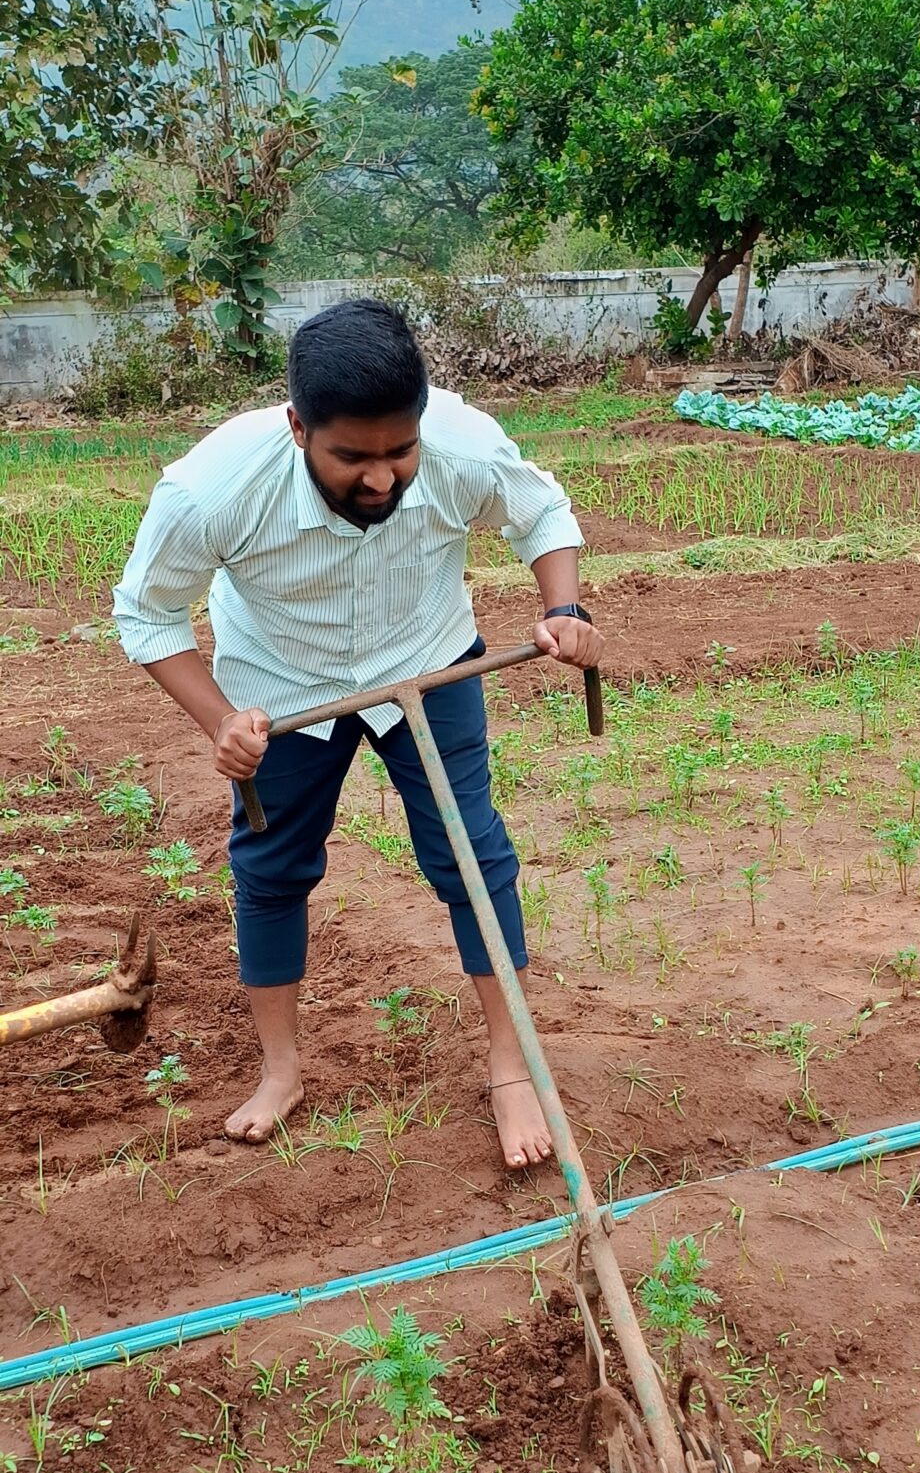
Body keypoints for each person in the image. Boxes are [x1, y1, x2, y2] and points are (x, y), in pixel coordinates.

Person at [112, 296, 604, 1166]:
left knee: (471, 854)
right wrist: (221, 720)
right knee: (271, 869)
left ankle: (510, 1064)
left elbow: (540, 513)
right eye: (352, 458)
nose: (381, 480)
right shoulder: (212, 490)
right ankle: (281, 1071)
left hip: (427, 658)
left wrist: (563, 609)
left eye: (399, 451)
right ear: (298, 427)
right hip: (282, 689)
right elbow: (147, 614)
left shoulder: (460, 443)